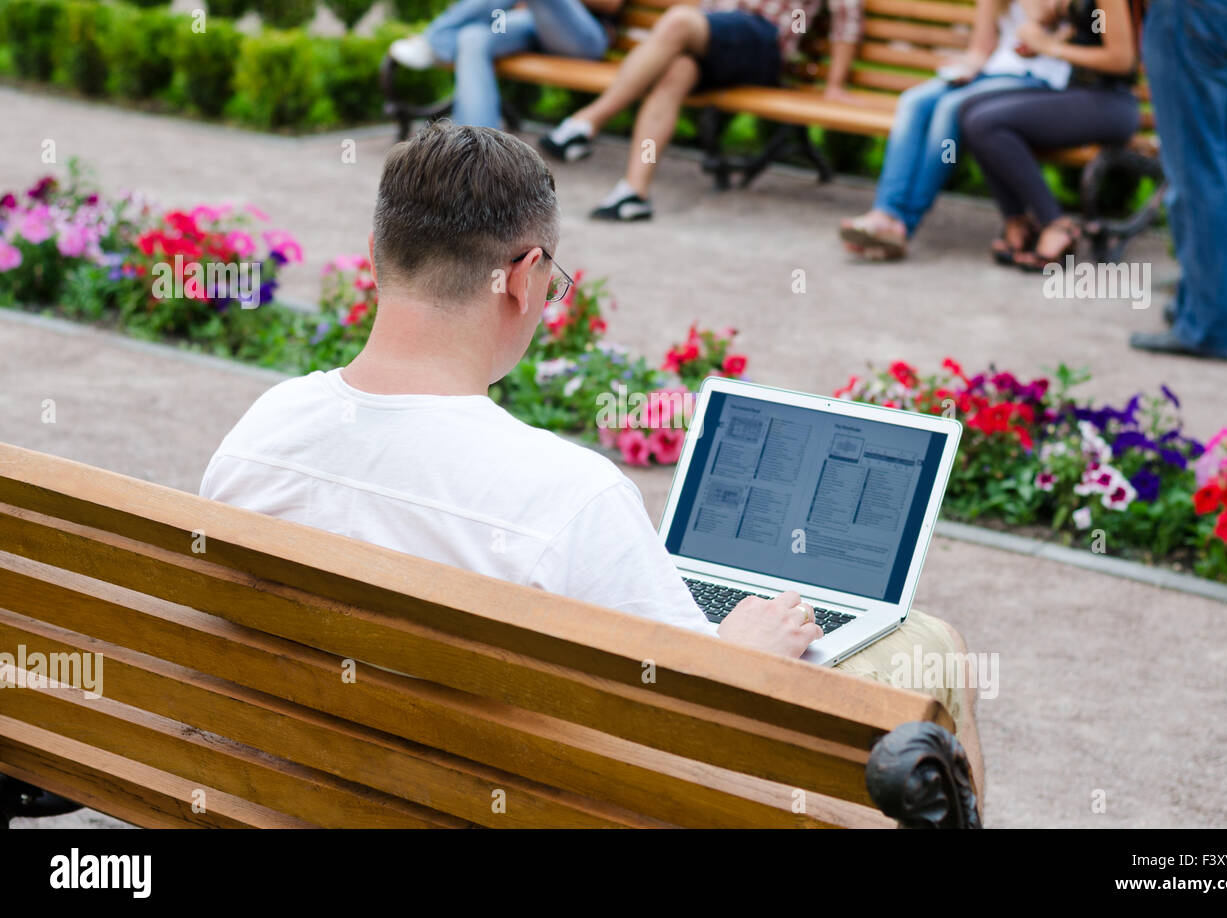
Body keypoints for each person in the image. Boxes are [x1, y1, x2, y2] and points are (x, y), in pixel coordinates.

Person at [199, 122, 983, 796]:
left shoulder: (263, 430)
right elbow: (691, 713)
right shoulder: (567, 495)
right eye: (553, 280)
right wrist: (740, 649)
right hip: (484, 798)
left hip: (285, 784)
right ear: (520, 278)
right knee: (929, 646)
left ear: (375, 255)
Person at [537, 0, 862, 221]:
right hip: (714, 36)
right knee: (675, 71)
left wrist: (834, 85)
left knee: (679, 21)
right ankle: (634, 193)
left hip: (763, 42)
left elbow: (846, 18)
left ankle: (588, 120)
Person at [839, 0, 1073, 262]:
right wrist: (968, 67)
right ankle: (885, 211)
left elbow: (1047, 19)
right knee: (913, 101)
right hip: (992, 72)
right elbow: (980, 50)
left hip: (1036, 77)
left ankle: (903, 224)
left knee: (950, 108)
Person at [1129, 0, 1227, 360]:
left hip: (1193, 13)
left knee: (1197, 171)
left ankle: (1208, 325)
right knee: (1224, 166)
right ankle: (1201, 302)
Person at [956, 0, 1141, 271]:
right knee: (969, 110)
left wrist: (1051, 48)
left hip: (1110, 102)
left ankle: (1056, 224)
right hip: (1077, 92)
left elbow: (1122, 60)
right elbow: (1081, 30)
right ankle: (1017, 220)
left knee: (988, 122)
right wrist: (1043, 38)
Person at [388, 0, 623, 130]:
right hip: (534, 24)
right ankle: (476, 148)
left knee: (462, 36)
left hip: (585, 38)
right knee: (472, 38)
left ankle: (436, 37)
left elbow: (610, 3)